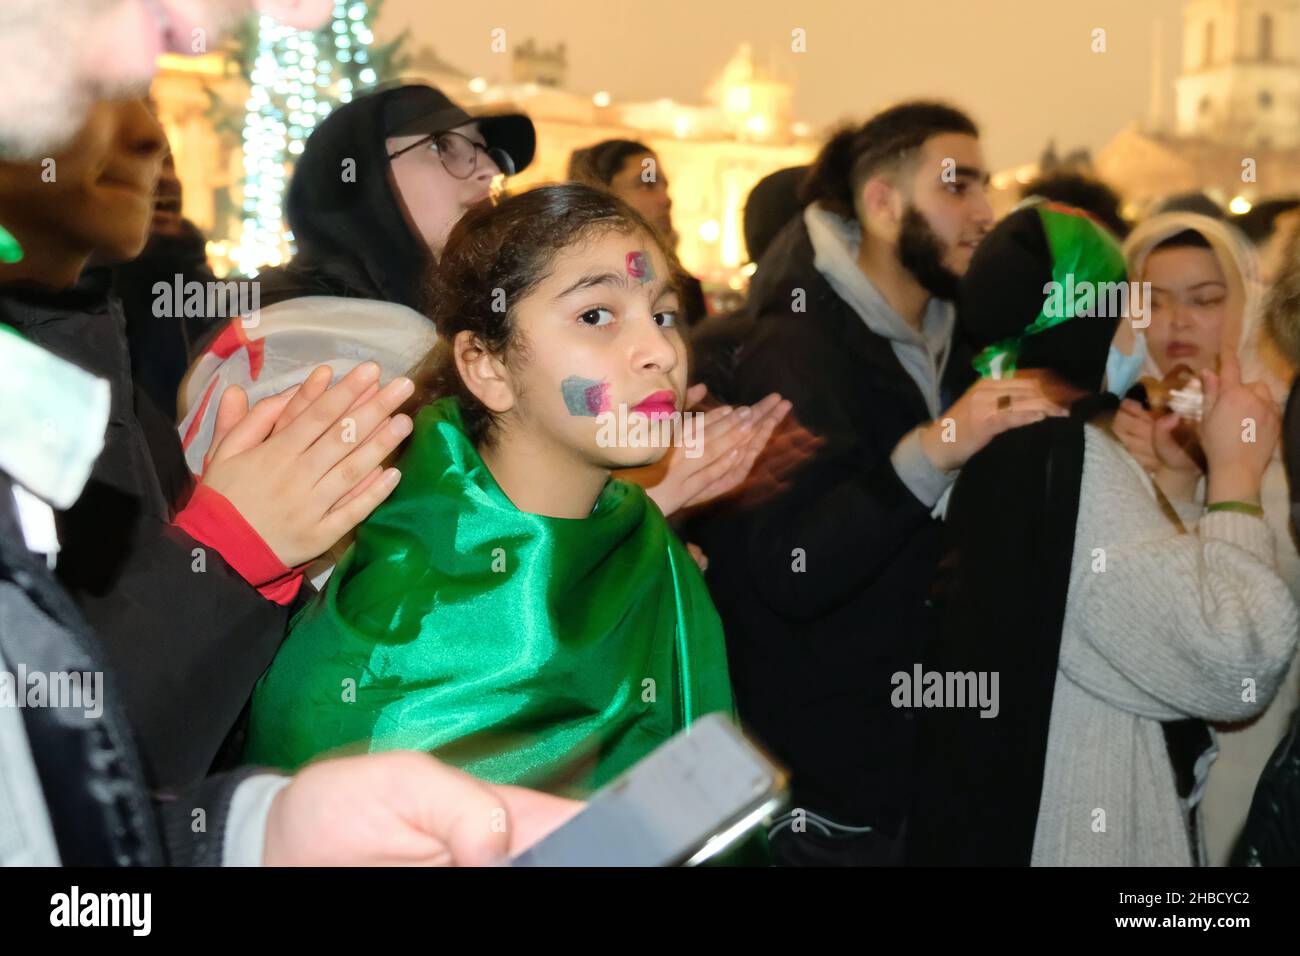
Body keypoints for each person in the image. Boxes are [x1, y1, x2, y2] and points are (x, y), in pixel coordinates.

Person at [243, 184, 736, 793]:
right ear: (486, 366)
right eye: (595, 316)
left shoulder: (640, 539)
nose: (661, 350)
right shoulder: (398, 638)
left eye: (662, 315)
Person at [686, 101, 1065, 866]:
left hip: (934, 773)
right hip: (819, 797)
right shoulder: (789, 348)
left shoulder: (968, 340)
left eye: (986, 187)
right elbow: (794, 568)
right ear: (882, 204)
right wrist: (934, 449)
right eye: (956, 186)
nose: (985, 212)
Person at [0, 96, 413, 788]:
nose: (150, 137)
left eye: (147, 92)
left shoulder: (91, 361)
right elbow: (40, 771)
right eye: (90, 83)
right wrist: (229, 550)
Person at [907, 203, 1299, 866]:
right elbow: (1234, 659)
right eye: (1130, 306)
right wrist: (1234, 477)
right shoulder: (1068, 461)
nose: (1144, 330)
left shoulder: (1009, 436)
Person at [177, 83, 535, 471]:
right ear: (365, 175)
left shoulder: (465, 324)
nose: (488, 171)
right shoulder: (292, 338)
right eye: (443, 145)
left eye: (484, 153)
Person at [1109, 212, 1299, 864]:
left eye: (1205, 301)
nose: (1177, 324)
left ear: (1248, 304)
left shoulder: (1275, 427)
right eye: (1152, 302)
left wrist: (1204, 486)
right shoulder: (1114, 425)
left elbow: (1256, 612)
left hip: (1256, 756)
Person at [568, 139, 708, 327]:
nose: (666, 199)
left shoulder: (683, 285)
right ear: (600, 192)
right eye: (647, 185)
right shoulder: (574, 286)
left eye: (664, 186)